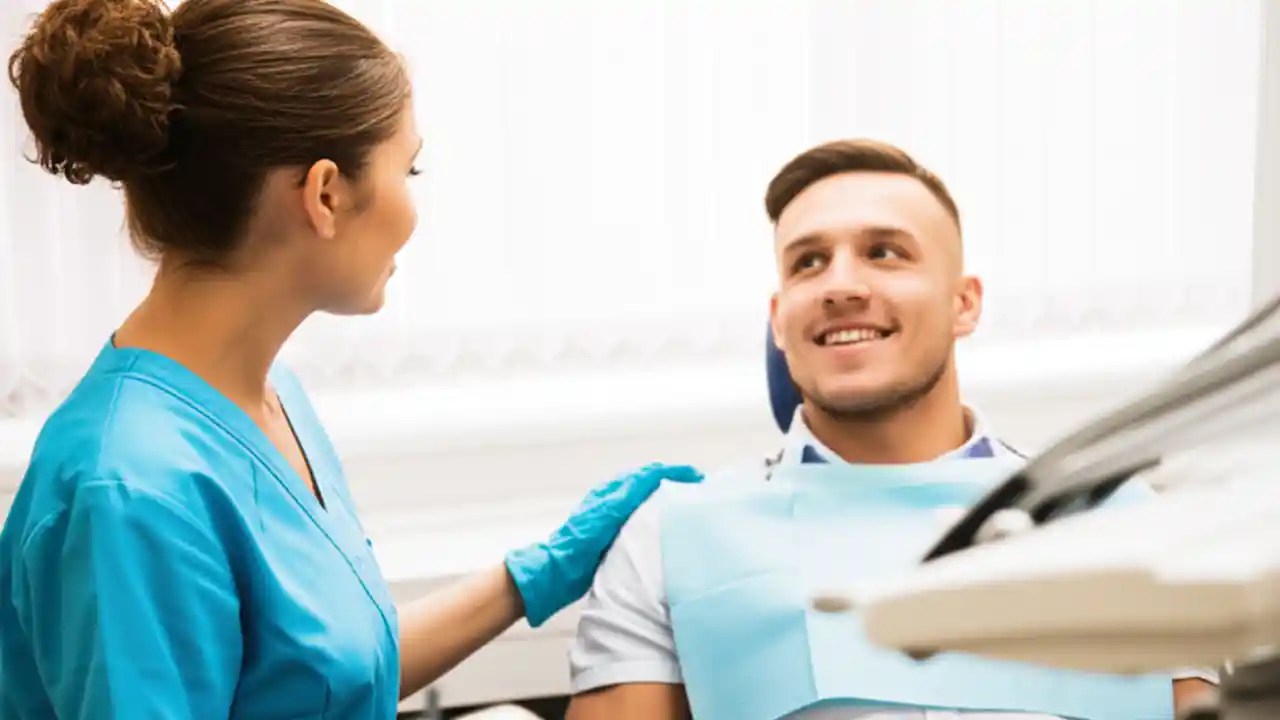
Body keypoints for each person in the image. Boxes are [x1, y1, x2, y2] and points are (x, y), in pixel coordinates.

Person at [0, 1, 703, 718]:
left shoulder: (265, 399)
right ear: (326, 194)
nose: (415, 209)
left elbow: (319, 681)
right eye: (411, 167)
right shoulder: (128, 490)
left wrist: (536, 574)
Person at [565, 139, 1220, 719]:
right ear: (778, 319)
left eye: (884, 252)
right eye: (808, 263)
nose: (841, 284)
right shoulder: (670, 538)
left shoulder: (1127, 525)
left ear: (963, 303)